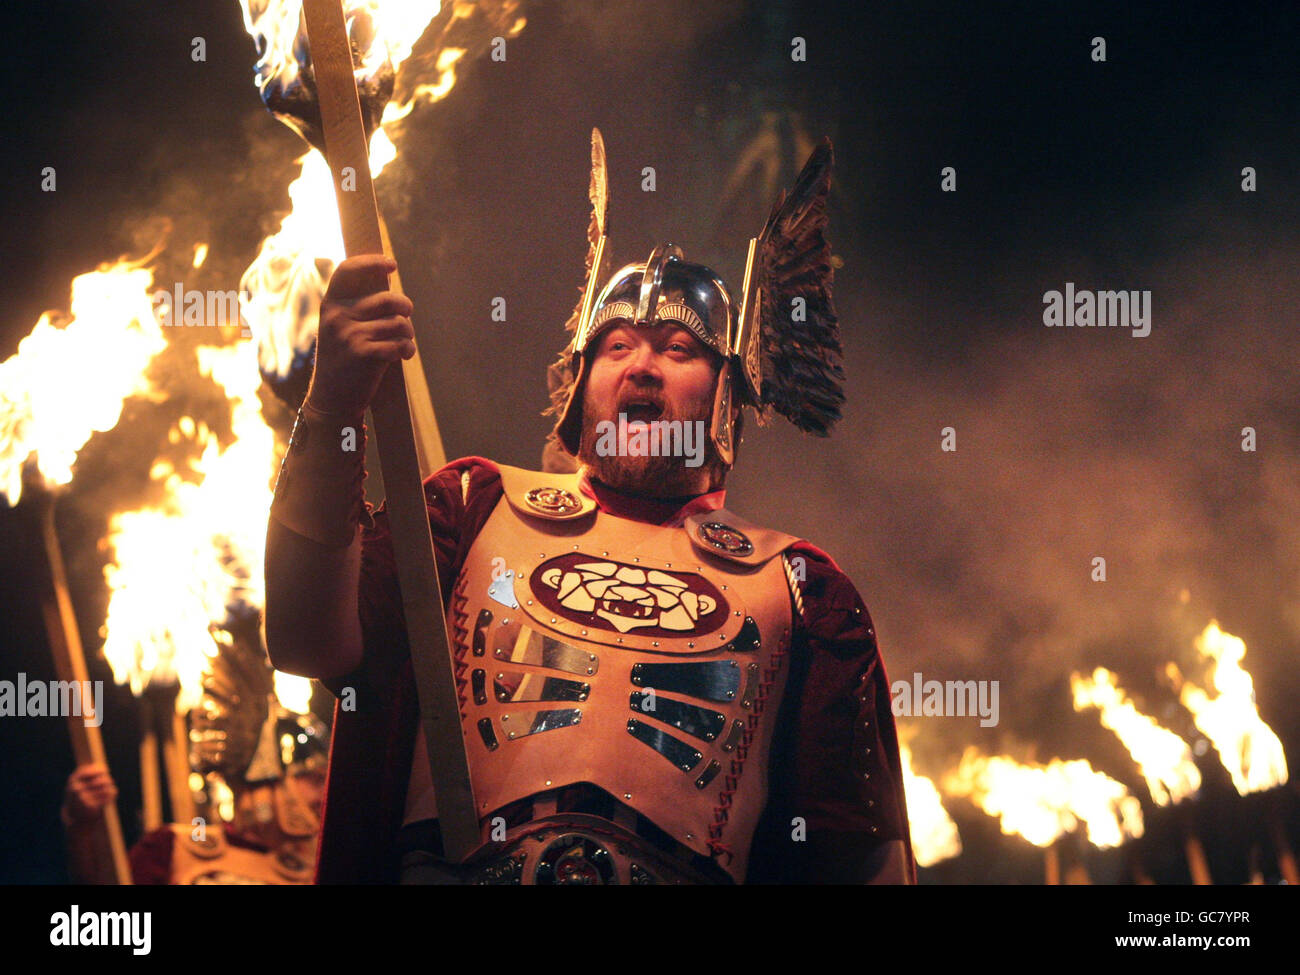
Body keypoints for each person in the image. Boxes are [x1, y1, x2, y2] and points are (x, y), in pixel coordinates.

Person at [265, 140, 914, 884]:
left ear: (729, 393)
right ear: (580, 386)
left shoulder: (804, 590)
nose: (641, 364)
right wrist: (335, 399)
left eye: (678, 347)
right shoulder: (469, 507)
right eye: (616, 345)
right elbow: (304, 638)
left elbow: (862, 861)